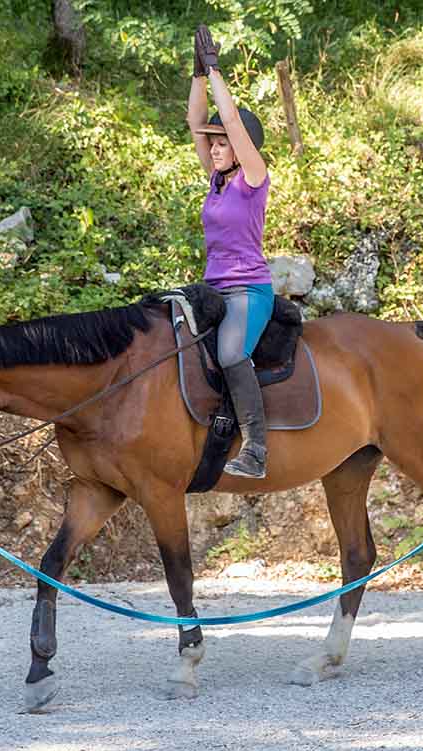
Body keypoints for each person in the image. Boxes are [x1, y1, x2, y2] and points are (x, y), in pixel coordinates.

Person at [187, 24, 272, 479]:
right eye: (213, 143)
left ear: (241, 151)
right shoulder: (216, 178)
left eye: (221, 144)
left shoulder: (252, 178)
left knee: (233, 354)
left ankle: (257, 448)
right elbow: (194, 122)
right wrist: (198, 72)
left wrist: (218, 69)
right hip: (211, 286)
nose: (214, 148)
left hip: (248, 289)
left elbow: (233, 124)